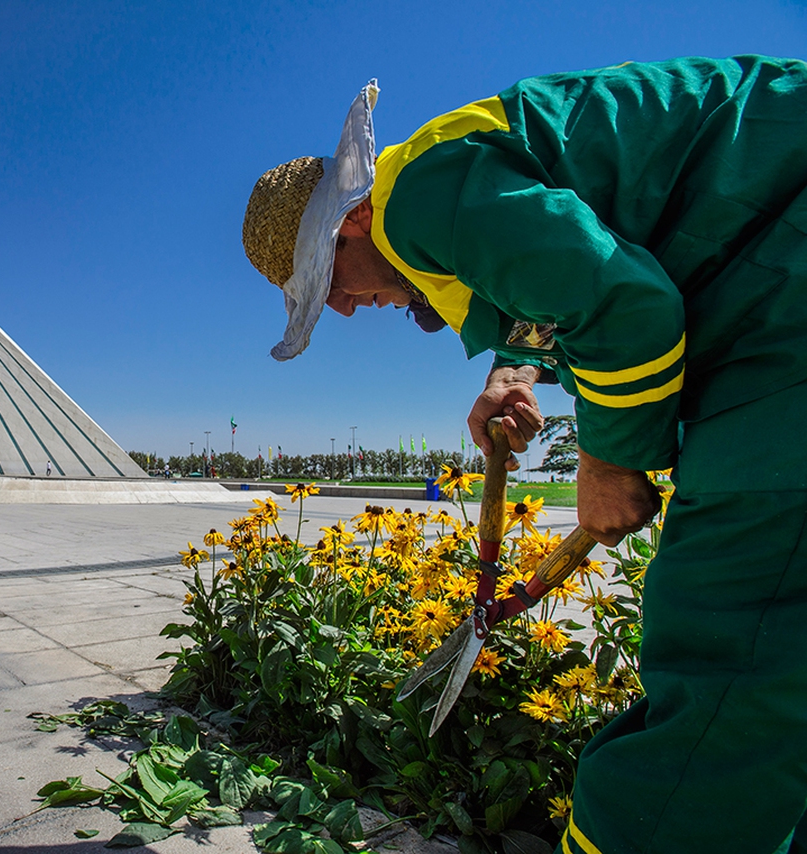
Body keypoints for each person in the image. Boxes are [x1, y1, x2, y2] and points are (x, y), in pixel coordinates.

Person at [242, 56, 807, 854]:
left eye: (323, 276)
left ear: (355, 217)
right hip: (772, 276)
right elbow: (549, 284)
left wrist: (608, 463)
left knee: (726, 656)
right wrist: (513, 372)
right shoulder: (441, 191)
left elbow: (624, 302)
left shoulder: (421, 202)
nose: (337, 305)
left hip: (784, 289)